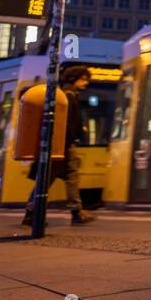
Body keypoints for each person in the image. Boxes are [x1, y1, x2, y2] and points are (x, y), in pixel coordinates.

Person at [21, 66, 96, 226]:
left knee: (57, 177)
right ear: (73, 79)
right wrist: (70, 140)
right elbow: (66, 122)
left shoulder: (66, 94)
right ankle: (73, 212)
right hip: (63, 145)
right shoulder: (67, 95)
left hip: (60, 144)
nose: (86, 83)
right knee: (60, 176)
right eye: (83, 79)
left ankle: (35, 211)